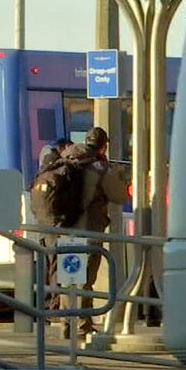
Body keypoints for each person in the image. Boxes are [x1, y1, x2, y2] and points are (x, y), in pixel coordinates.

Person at [54, 127, 128, 338]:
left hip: (63, 226)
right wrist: (120, 177)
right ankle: (82, 325)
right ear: (104, 145)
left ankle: (67, 323)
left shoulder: (65, 158)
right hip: (88, 229)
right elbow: (119, 196)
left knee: (68, 275)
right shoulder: (99, 167)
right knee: (85, 279)